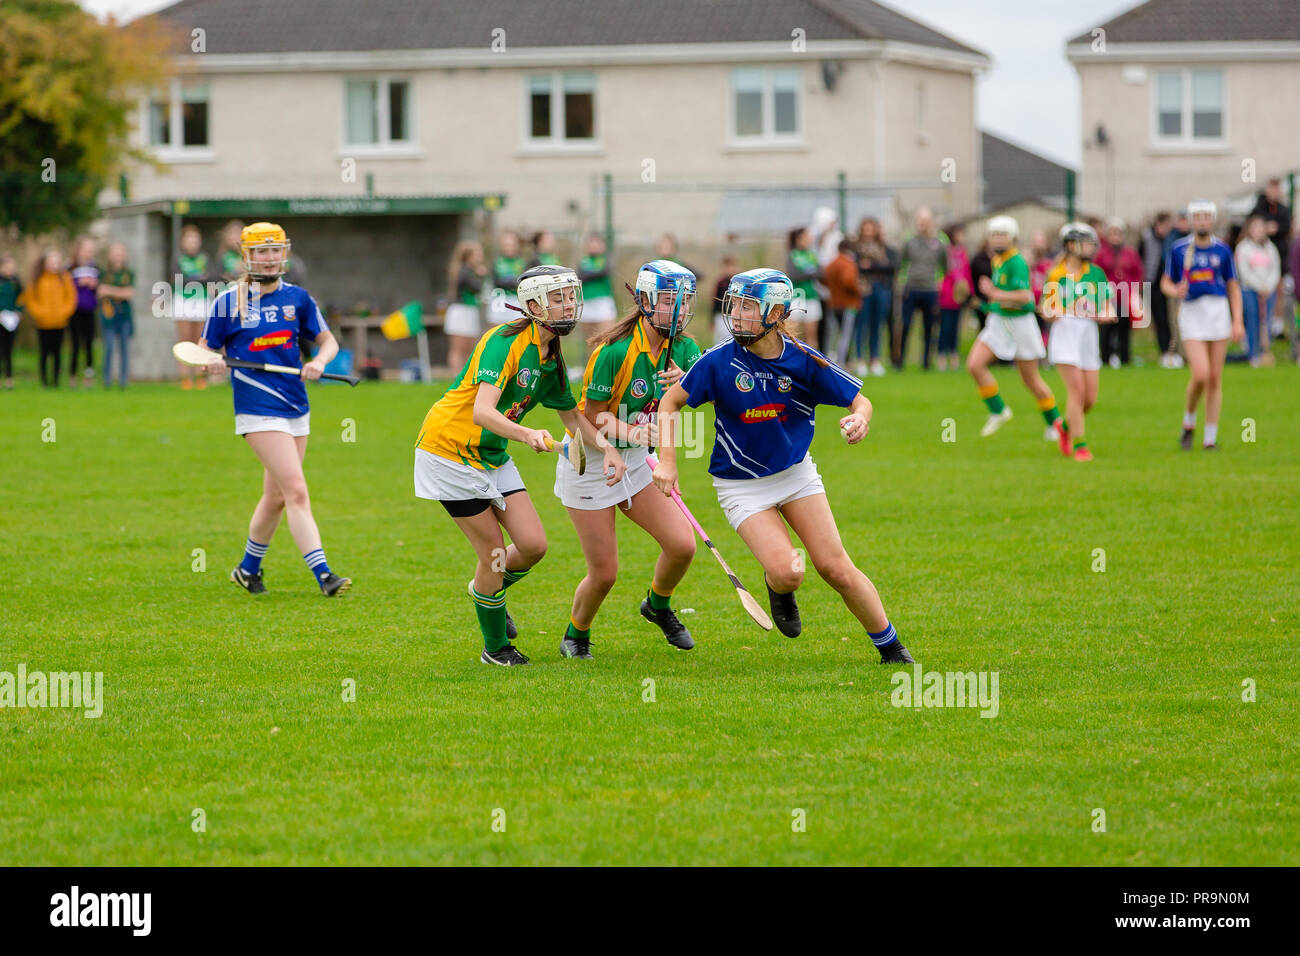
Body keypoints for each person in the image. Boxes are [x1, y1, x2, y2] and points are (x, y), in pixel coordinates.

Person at [652, 268, 916, 666]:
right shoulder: (718, 361)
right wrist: (668, 464)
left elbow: (861, 400)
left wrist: (860, 419)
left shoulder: (804, 359)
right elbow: (669, 403)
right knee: (789, 572)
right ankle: (779, 587)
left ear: (776, 313)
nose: (737, 315)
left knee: (835, 567)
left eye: (748, 307)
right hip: (741, 485)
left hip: (796, 475)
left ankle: (892, 650)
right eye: (734, 305)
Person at [414, 265, 619, 667]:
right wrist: (526, 435)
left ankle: (486, 593)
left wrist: (606, 449)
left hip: (490, 454)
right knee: (492, 552)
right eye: (557, 298)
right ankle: (495, 648)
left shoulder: (552, 357)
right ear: (532, 305)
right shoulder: (504, 343)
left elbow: (573, 419)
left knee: (532, 546)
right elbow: (482, 411)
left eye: (570, 297)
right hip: (448, 452)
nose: (569, 306)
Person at [555, 260, 700, 659]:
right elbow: (590, 416)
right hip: (590, 463)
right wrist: (631, 435)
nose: (679, 310)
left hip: (636, 463)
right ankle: (576, 634)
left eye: (684, 301)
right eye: (670, 301)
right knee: (604, 574)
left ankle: (657, 604)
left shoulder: (686, 348)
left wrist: (689, 384)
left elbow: (703, 396)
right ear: (645, 301)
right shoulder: (613, 351)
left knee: (681, 545)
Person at [199, 222, 351, 597]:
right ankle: (324, 575)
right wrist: (213, 362)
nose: (268, 258)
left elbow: (328, 341)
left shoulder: (298, 298)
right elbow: (203, 350)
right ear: (246, 255)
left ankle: (248, 569)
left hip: (296, 405)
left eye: (274, 250)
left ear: (285, 252)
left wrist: (320, 362)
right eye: (261, 251)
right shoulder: (228, 301)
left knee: (278, 496)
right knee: (297, 491)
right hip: (257, 408)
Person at [966, 216, 1070, 452]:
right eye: (994, 235)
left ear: (1012, 238)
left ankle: (1054, 425)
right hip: (999, 322)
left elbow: (1025, 297)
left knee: (1031, 380)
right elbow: (1000, 299)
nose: (998, 239)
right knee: (974, 365)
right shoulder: (997, 260)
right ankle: (998, 410)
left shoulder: (1017, 262)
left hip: (1021, 325)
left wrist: (993, 293)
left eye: (1002, 235)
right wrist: (985, 303)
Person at [1161, 200, 1244, 451]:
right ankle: (1188, 420)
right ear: (1192, 221)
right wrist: (1175, 289)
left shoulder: (1223, 250)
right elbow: (1165, 282)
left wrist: (1237, 320)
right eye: (1198, 217)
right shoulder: (1178, 249)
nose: (1202, 221)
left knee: (1215, 378)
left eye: (1206, 217)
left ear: (1213, 220)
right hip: (1192, 313)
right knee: (1200, 374)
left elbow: (1233, 286)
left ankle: (1209, 438)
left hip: (1217, 312)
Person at [1042, 223, 1115, 461]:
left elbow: (1107, 304)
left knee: (1090, 399)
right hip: (1065, 335)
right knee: (1077, 392)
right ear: (1070, 245)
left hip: (1087, 336)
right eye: (1086, 242)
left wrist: (1106, 312)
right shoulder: (1057, 274)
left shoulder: (1096, 273)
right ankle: (1080, 445)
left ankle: (1064, 426)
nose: (1091, 248)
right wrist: (1051, 312)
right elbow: (1046, 306)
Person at [895, 207, 947, 370]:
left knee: (929, 327)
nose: (922, 225)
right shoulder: (909, 240)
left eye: (926, 222)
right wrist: (902, 281)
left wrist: (939, 280)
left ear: (931, 222)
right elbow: (901, 263)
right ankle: (900, 361)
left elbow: (945, 266)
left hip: (930, 290)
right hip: (911, 289)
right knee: (906, 324)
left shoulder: (940, 241)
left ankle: (926, 362)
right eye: (920, 222)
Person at [1093, 218, 1144, 368]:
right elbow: (1097, 274)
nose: (1115, 236)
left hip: (1125, 297)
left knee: (1124, 329)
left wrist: (1134, 291)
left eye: (1118, 233)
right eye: (1112, 233)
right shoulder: (1102, 254)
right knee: (1106, 329)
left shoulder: (1130, 253)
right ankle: (1105, 359)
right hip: (1107, 298)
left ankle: (1125, 358)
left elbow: (1138, 273)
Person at [23, 249, 76, 388]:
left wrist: (64, 313)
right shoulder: (38, 279)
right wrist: (40, 313)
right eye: (51, 262)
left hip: (60, 322)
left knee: (58, 353)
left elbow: (71, 298)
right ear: (45, 263)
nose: (54, 265)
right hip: (43, 323)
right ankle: (44, 381)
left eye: (57, 262)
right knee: (44, 352)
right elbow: (30, 299)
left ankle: (56, 381)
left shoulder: (65, 278)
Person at [852, 217, 896, 377]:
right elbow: (857, 267)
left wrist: (872, 266)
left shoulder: (884, 247)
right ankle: (860, 360)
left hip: (881, 289)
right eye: (866, 228)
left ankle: (875, 360)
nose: (869, 231)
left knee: (877, 326)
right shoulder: (856, 248)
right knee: (861, 326)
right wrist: (875, 267)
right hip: (864, 291)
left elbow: (891, 267)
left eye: (872, 228)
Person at [1234, 215, 1281, 367]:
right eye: (1256, 228)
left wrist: (1268, 286)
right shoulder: (1243, 248)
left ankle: (1264, 352)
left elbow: (1275, 269)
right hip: (1250, 290)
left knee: (1266, 321)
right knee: (1252, 321)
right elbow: (1244, 272)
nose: (1259, 231)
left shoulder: (1270, 247)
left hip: (1269, 290)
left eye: (1262, 228)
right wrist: (1259, 287)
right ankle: (1252, 353)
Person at [577, 232, 618, 377]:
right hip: (587, 303)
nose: (594, 246)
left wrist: (590, 275)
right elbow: (580, 275)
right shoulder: (584, 261)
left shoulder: (606, 259)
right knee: (591, 341)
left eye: (597, 242)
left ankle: (607, 371)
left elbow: (603, 272)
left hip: (603, 303)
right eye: (591, 243)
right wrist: (590, 274)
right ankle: (592, 372)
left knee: (606, 339)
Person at [175, 224, 210, 390]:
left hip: (201, 301)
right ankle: (185, 378)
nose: (192, 243)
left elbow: (210, 278)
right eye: (189, 239)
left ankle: (200, 377)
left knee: (200, 342)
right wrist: (198, 279)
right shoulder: (178, 259)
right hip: (183, 302)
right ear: (183, 242)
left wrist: (194, 279)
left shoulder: (204, 258)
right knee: (184, 341)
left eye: (195, 239)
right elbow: (178, 280)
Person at [444, 239, 487, 373]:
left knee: (469, 349)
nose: (480, 258)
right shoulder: (464, 271)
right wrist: (481, 276)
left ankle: (465, 379)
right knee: (458, 349)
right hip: (461, 312)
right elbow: (476, 287)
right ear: (469, 256)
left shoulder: (470, 271)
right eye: (478, 255)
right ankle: (456, 378)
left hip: (469, 311)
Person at [97, 242, 135, 389]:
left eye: (120, 253)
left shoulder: (128, 273)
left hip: (124, 315)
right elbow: (100, 291)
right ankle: (107, 380)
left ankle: (123, 382)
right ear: (110, 256)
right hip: (108, 315)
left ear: (124, 256)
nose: (117, 257)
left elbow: (128, 293)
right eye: (115, 253)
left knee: (125, 349)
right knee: (109, 347)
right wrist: (118, 292)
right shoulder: (104, 273)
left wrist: (109, 291)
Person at [1141, 212, 1177, 366]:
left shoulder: (1172, 240)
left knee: (1172, 321)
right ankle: (1164, 351)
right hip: (1151, 285)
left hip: (1169, 285)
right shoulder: (1147, 239)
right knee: (1159, 320)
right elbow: (1141, 259)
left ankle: (1173, 352)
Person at [937, 223, 972, 371]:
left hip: (959, 296)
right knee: (945, 327)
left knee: (955, 329)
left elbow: (966, 271)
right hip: (947, 295)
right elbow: (943, 271)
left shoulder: (962, 251)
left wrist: (968, 290)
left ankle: (953, 355)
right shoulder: (946, 250)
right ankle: (941, 356)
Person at [67, 236, 99, 389]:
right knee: (75, 344)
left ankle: (88, 376)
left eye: (91, 250)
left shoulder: (95, 267)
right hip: (74, 311)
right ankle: (72, 376)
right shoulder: (71, 267)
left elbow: (99, 287)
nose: (89, 253)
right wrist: (78, 283)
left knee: (88, 344)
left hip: (89, 310)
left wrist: (95, 285)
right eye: (86, 249)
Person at [825, 239, 862, 363]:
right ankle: (841, 363)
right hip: (848, 304)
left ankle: (830, 361)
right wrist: (859, 290)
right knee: (845, 335)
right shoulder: (847, 263)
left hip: (834, 303)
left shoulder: (831, 263)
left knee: (834, 335)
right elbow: (849, 281)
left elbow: (823, 279)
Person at [786, 226, 823, 345]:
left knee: (811, 334)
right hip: (797, 297)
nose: (809, 239)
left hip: (812, 296)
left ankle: (813, 362)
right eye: (806, 237)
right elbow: (794, 274)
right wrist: (810, 272)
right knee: (792, 334)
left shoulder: (812, 254)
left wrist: (807, 272)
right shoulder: (793, 255)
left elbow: (821, 272)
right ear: (798, 239)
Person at [489, 230, 527, 320]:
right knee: (498, 330)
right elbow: (497, 283)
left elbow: (522, 283)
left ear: (517, 245)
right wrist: (513, 281)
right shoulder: (497, 263)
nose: (509, 248)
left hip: (516, 300)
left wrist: (508, 281)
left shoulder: (522, 263)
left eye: (511, 245)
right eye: (506, 245)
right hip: (499, 300)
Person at [0, 254, 22, 390]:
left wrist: (19, 311)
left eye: (12, 267)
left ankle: (9, 379)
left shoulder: (16, 282)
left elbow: (22, 298)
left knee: (8, 350)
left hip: (11, 320)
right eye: (7, 267)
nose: (10, 270)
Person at [710, 253, 738, 345]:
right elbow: (714, 301)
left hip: (733, 316)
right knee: (719, 341)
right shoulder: (720, 283)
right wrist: (711, 320)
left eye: (731, 266)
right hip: (721, 316)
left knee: (733, 341)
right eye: (726, 267)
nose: (729, 269)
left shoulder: (738, 283)